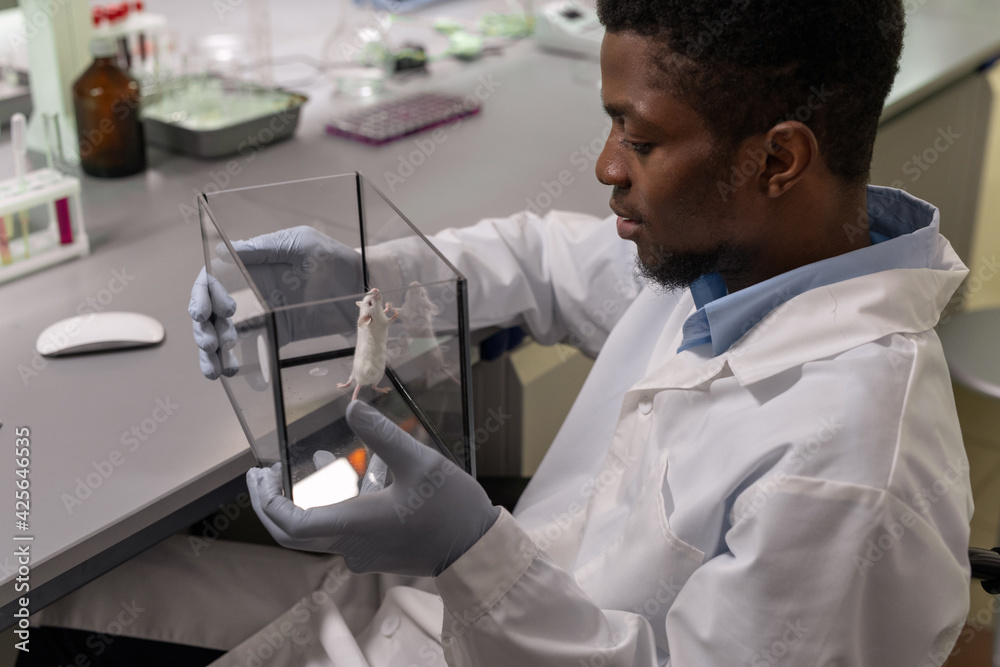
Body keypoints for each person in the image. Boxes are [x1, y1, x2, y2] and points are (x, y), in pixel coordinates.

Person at [29, 0, 973, 665]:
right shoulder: (751, 259)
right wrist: (356, 279)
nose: (606, 166)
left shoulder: (846, 475)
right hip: (439, 613)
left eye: (639, 140)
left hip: (487, 628)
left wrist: (469, 551)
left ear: (778, 157)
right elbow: (544, 260)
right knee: (61, 606)